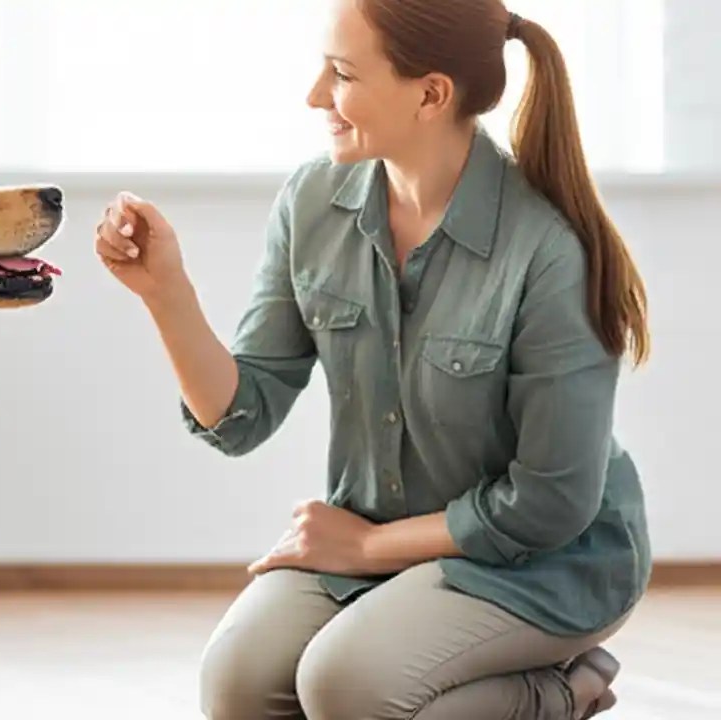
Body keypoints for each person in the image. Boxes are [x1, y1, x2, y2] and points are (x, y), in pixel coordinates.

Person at [93, 1, 652, 718]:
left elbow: (549, 505)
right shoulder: (315, 200)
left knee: (348, 685)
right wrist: (165, 291)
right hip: (376, 538)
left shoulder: (546, 247)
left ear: (431, 94)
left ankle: (560, 692)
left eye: (343, 73)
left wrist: (367, 549)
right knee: (236, 685)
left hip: (544, 563)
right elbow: (240, 415)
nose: (315, 94)